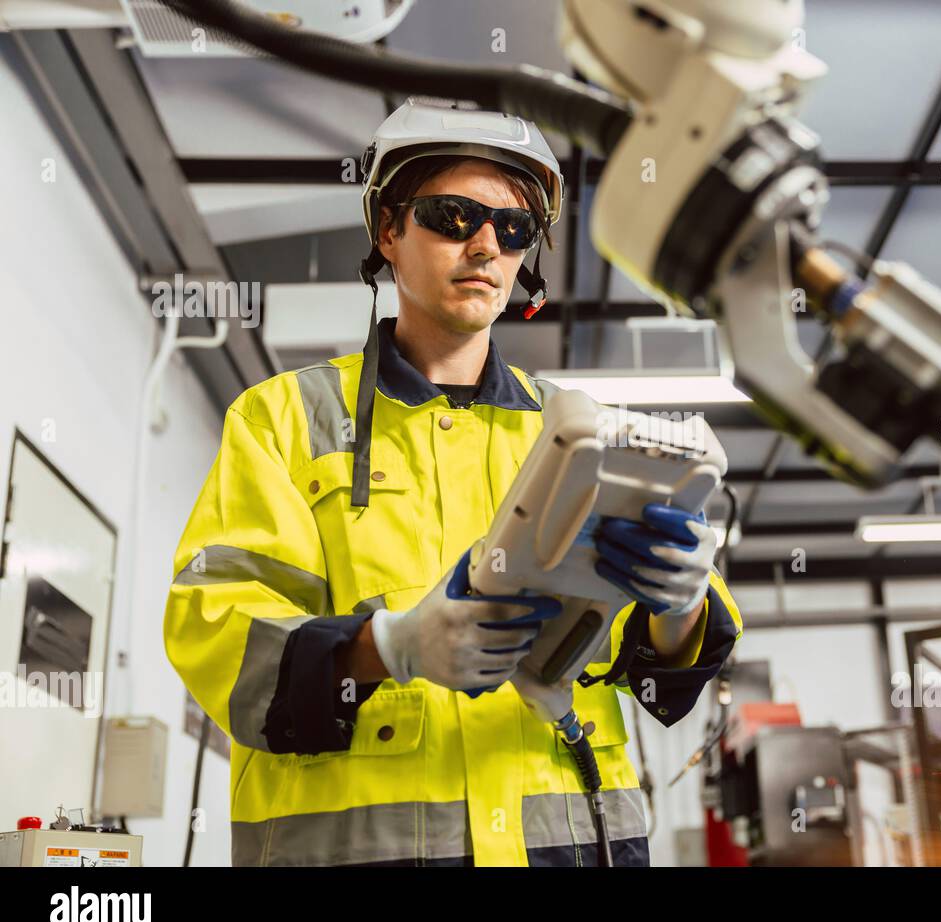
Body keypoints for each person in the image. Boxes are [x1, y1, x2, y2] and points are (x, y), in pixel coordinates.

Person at [163, 99, 743, 867]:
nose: (485, 245)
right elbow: (216, 635)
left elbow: (658, 668)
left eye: (512, 229)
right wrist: (388, 647)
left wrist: (680, 603)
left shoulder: (579, 432)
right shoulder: (282, 420)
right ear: (388, 233)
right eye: (452, 215)